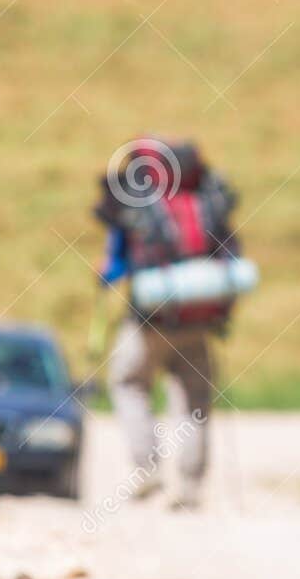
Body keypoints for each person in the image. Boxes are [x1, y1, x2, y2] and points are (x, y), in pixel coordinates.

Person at [95, 138, 241, 510]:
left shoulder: (140, 203)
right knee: (194, 400)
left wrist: (107, 277)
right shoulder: (205, 199)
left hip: (150, 320)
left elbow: (115, 262)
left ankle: (146, 469)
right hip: (199, 318)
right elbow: (229, 252)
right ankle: (190, 487)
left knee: (128, 383)